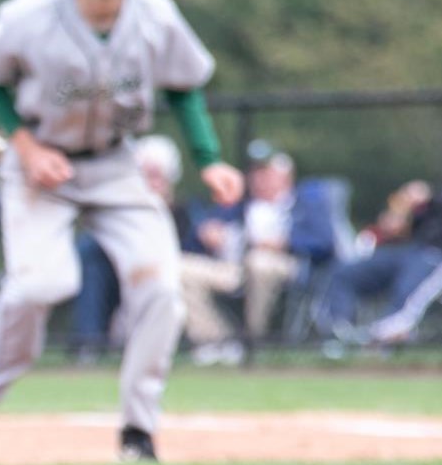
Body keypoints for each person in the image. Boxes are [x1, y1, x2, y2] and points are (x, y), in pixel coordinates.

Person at [0, 0, 244, 464]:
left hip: (114, 164)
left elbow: (184, 86)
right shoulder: (32, 15)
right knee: (41, 286)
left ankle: (138, 432)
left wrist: (208, 158)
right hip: (43, 165)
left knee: (160, 288)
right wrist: (25, 145)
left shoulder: (154, 14)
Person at [178, 142, 338, 364]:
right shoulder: (237, 204)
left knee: (258, 262)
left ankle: (252, 341)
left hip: (284, 266)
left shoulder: (306, 201)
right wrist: (207, 232)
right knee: (181, 267)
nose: (258, 179)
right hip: (232, 267)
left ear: (285, 175)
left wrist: (283, 244)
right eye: (254, 173)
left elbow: (325, 242)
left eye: (265, 172)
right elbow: (198, 235)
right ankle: (216, 342)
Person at [67, 134, 198, 361]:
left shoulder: (183, 213)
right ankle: (89, 344)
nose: (150, 183)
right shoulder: (119, 211)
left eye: (156, 176)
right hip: (120, 278)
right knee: (89, 254)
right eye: (144, 175)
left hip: (165, 280)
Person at [319, 179, 442, 351]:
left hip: (434, 255)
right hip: (408, 250)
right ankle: (340, 332)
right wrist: (403, 217)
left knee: (410, 288)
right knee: (344, 274)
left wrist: (428, 199)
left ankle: (379, 338)